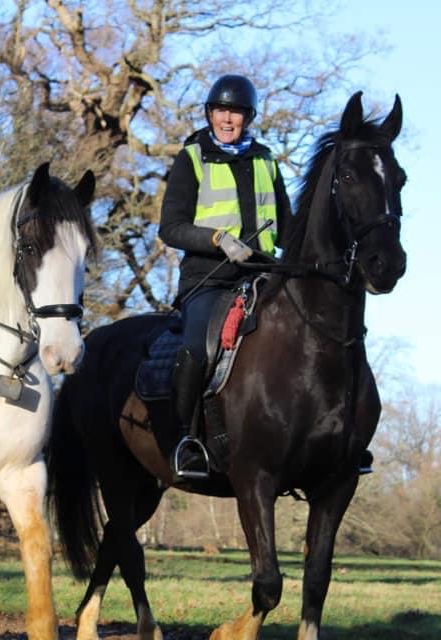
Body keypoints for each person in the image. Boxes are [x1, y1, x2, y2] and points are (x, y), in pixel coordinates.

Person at [158, 74, 292, 477]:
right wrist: (217, 239)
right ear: (210, 114)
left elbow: (288, 228)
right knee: (197, 348)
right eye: (221, 111)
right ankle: (184, 440)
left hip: (263, 276)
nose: (228, 119)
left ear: (248, 117)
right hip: (209, 278)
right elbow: (170, 228)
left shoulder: (266, 160)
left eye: (235, 112)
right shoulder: (192, 159)